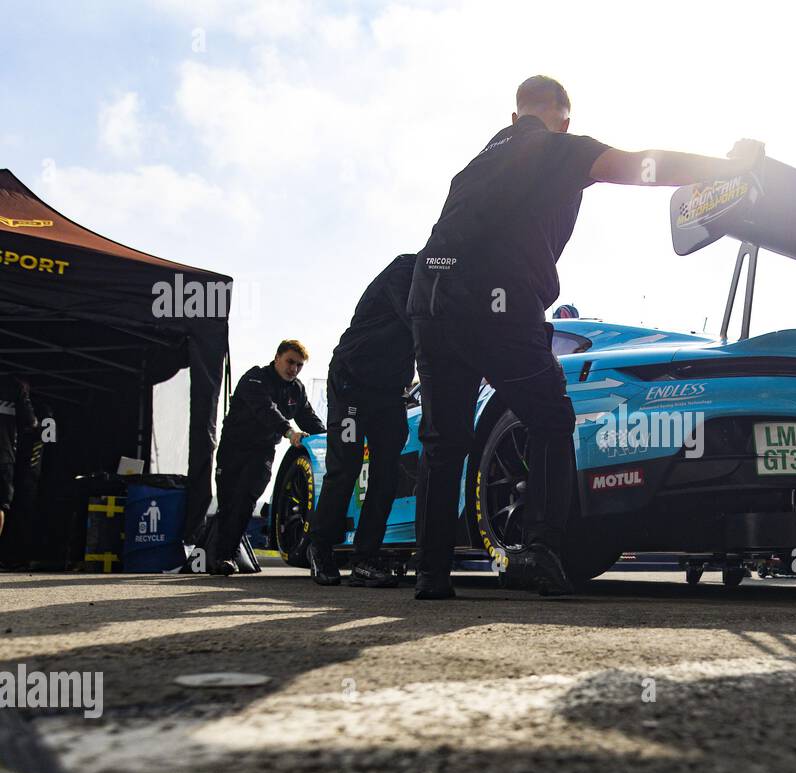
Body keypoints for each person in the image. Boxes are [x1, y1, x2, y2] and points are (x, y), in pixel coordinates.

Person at [407, 74, 763, 600]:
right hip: (497, 297)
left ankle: (432, 575)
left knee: (443, 443)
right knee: (550, 416)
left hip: (429, 298)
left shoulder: (474, 165)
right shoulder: (559, 147)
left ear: (514, 115)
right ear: (563, 115)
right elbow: (646, 164)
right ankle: (542, 551)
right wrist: (728, 166)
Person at [306, 254, 416, 588]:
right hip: (351, 384)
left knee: (386, 474)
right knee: (347, 465)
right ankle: (320, 547)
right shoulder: (406, 270)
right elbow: (418, 319)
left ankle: (364, 559)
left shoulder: (448, 286)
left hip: (389, 391)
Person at [212, 340, 324, 576]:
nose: (293, 368)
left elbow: (309, 420)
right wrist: (288, 432)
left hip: (262, 452)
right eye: (290, 362)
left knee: (245, 499)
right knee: (229, 502)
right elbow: (266, 409)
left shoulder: (298, 389)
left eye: (299, 365)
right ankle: (221, 554)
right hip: (234, 449)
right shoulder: (254, 378)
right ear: (277, 358)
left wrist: (331, 440)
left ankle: (225, 557)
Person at [0, 375, 37, 542]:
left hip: (4, 456)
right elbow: (31, 422)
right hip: (3, 456)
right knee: (1, 504)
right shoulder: (17, 391)